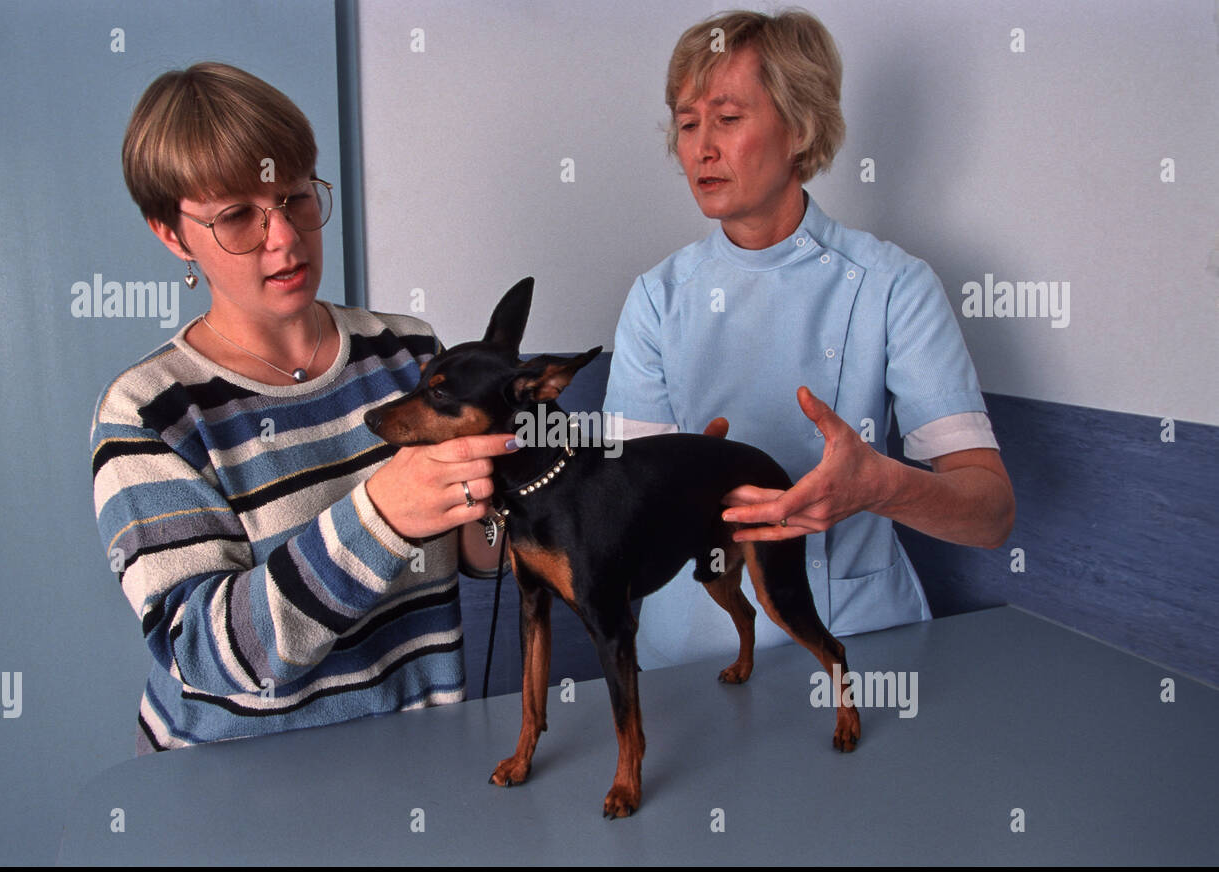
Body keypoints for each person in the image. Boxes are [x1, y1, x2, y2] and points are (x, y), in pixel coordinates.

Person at [91, 63, 512, 754]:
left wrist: (522, 484)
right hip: (230, 790)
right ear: (171, 234)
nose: (285, 237)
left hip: (418, 763)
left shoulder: (409, 351)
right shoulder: (148, 413)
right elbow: (202, 654)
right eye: (237, 217)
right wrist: (381, 516)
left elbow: (481, 552)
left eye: (295, 197)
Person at [603, 10, 1015, 669]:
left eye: (727, 117)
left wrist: (878, 486)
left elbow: (991, 516)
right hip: (690, 662)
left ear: (799, 127)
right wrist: (673, 486)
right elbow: (619, 519)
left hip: (861, 645)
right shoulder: (658, 298)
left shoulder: (892, 286)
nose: (701, 147)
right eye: (687, 123)